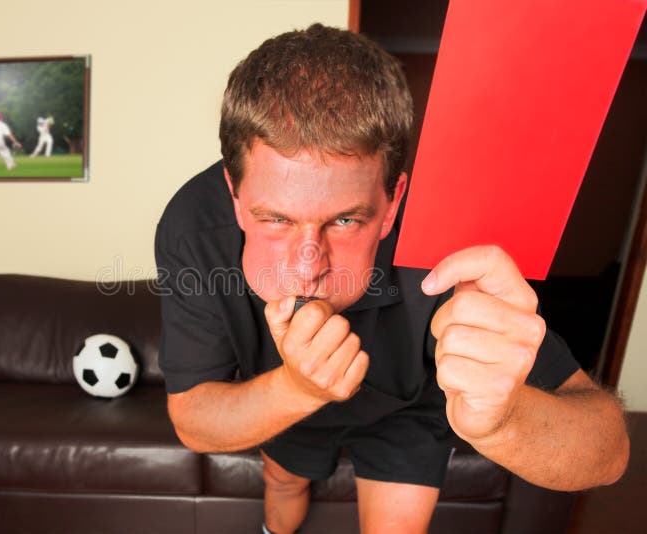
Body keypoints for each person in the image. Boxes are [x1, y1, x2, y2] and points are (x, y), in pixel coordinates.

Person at [154, 24, 629, 534]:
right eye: (277, 220)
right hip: (283, 397)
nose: (307, 264)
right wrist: (298, 388)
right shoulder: (193, 229)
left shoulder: (448, 239)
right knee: (286, 485)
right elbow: (193, 419)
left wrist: (504, 419)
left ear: (393, 202)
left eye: (344, 220)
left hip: (408, 406)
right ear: (233, 193)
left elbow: (609, 451)